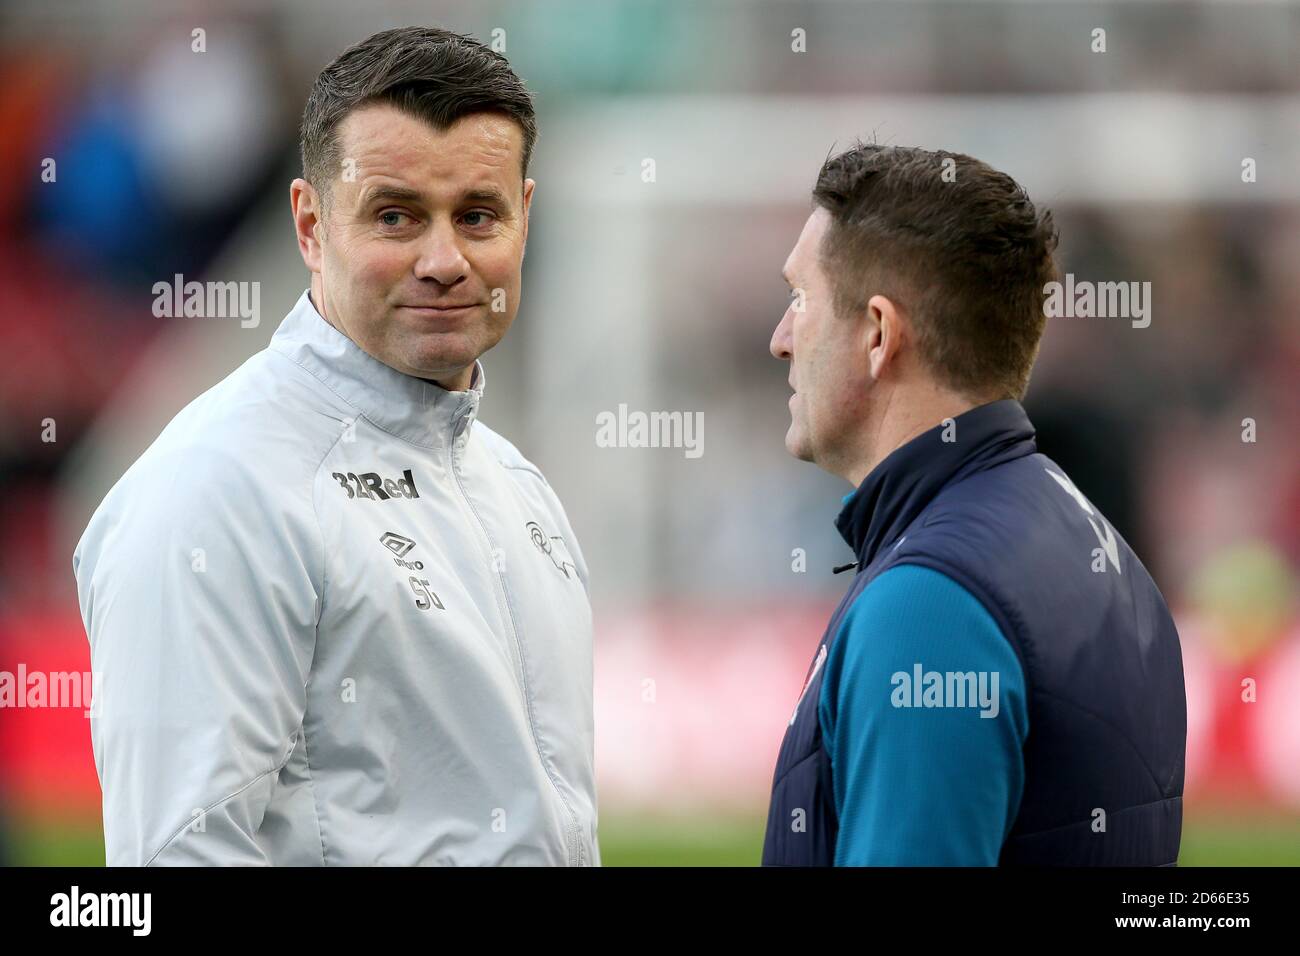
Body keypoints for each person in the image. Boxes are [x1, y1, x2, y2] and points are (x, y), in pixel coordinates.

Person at [73, 26, 599, 866]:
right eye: (395, 216)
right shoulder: (214, 491)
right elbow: (178, 857)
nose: (444, 260)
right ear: (311, 227)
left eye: (477, 216)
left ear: (525, 220)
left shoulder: (517, 485)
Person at [763, 143, 1186, 866]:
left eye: (800, 299)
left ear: (876, 334)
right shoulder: (1093, 541)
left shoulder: (929, 606)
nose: (779, 340)